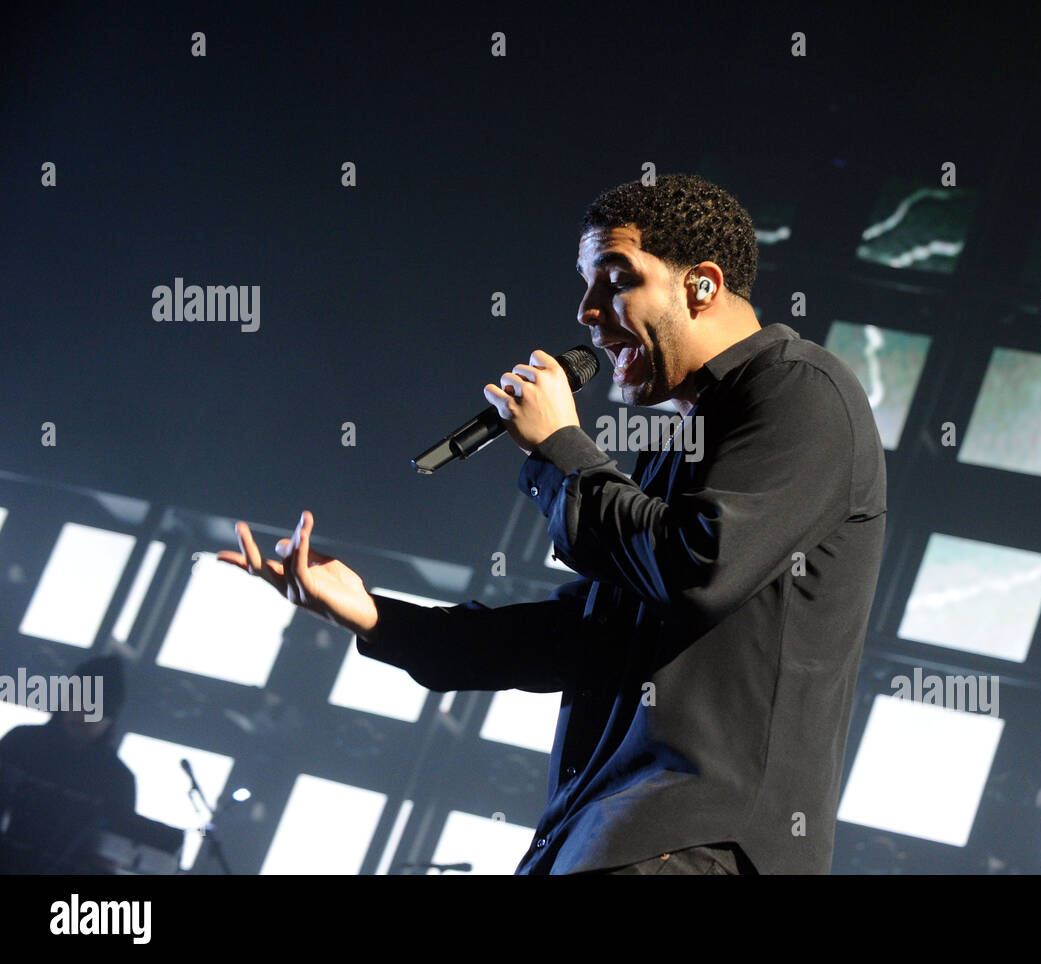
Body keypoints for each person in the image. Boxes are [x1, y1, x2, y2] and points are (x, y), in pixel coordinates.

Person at [218, 173, 887, 874]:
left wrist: (563, 449)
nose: (589, 313)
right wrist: (379, 618)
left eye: (616, 279)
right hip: (615, 833)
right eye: (585, 285)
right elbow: (581, 637)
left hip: (698, 843)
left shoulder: (802, 390)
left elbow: (697, 570)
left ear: (702, 285)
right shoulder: (681, 445)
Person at [0, 653, 136, 873]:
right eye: (77, 701)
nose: (81, 713)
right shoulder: (21, 743)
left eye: (94, 709)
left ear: (110, 719)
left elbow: (107, 859)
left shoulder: (118, 780)